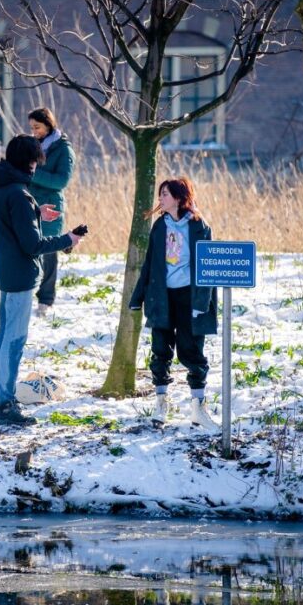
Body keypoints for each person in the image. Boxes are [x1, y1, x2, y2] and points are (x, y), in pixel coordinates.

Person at [0, 134, 83, 426]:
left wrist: (35, 213)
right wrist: (68, 238)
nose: (34, 168)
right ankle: (5, 405)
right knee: (13, 342)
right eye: (33, 162)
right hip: (19, 276)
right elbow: (33, 245)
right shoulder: (18, 193)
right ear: (27, 162)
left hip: (6, 270)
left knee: (3, 338)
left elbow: (10, 219)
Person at [128, 177, 218, 429]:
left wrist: (202, 301)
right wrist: (137, 298)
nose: (161, 199)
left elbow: (207, 267)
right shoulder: (159, 227)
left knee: (191, 350)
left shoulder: (200, 227)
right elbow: (149, 264)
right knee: (160, 349)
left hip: (189, 298)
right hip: (162, 296)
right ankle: (161, 403)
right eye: (160, 194)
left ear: (179, 197)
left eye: (165, 194)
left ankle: (198, 407)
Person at [27, 107, 76, 318]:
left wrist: (33, 173)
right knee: (29, 249)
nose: (34, 131)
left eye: (37, 127)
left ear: (49, 125)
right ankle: (29, 292)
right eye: (31, 128)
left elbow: (61, 181)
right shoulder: (31, 146)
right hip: (29, 203)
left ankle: (46, 299)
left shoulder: (64, 150)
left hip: (51, 206)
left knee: (48, 254)